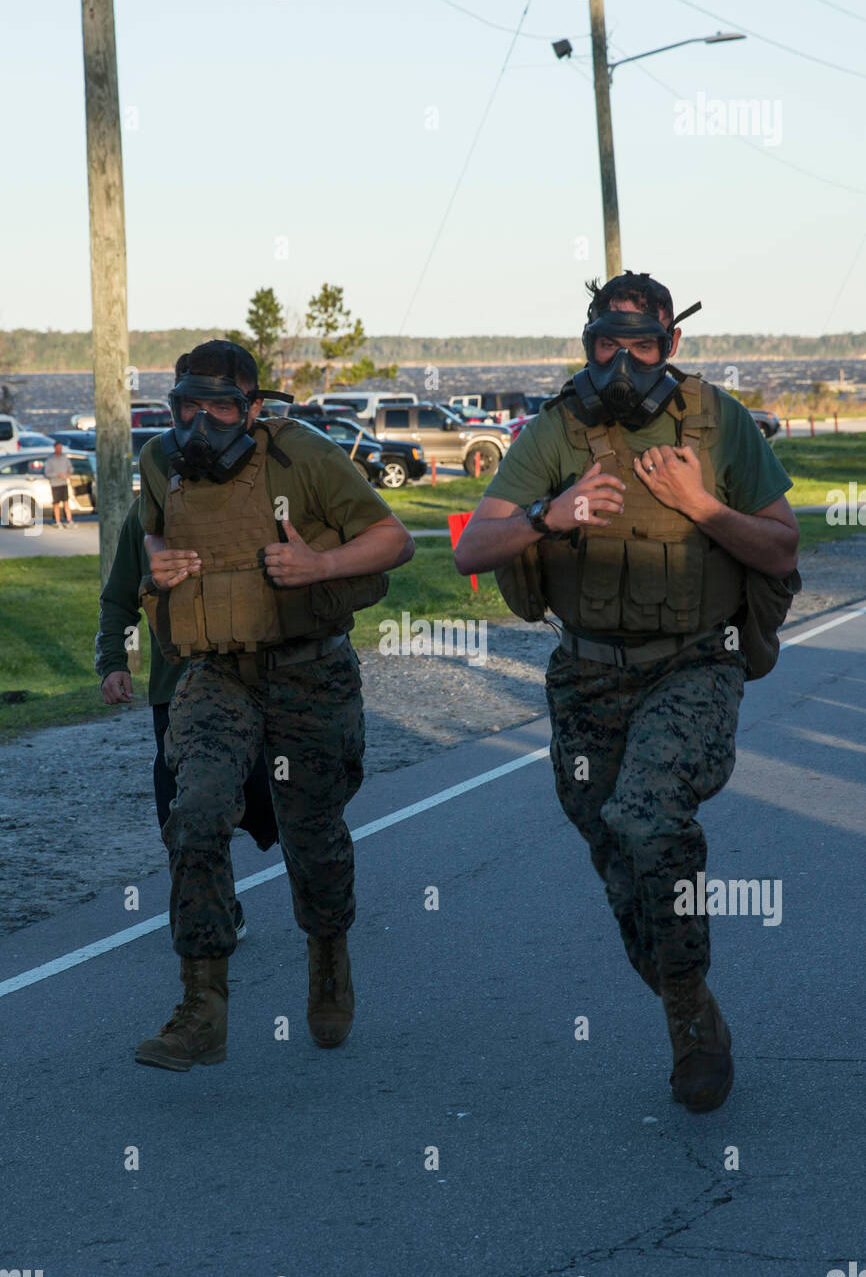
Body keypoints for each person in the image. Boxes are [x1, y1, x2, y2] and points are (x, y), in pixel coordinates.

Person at [453, 271, 800, 1113]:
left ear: (669, 344)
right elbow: (472, 551)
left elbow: (783, 548)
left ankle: (687, 1024)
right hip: (587, 676)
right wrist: (550, 514)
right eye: (603, 342)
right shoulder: (559, 426)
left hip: (693, 664)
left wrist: (701, 504)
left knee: (647, 817)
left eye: (637, 343)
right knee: (617, 862)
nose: (618, 360)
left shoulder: (718, 426)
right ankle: (693, 1005)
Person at [133, 340, 413, 1072]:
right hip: (216, 672)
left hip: (307, 671)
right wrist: (156, 567)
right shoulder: (160, 462)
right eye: (186, 404)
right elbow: (156, 534)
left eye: (219, 405)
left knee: (312, 838)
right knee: (194, 815)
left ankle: (327, 955)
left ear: (253, 407)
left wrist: (320, 565)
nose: (200, 421)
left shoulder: (304, 456)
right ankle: (203, 1009)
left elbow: (394, 541)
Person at [94, 497, 280, 940]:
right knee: (184, 810)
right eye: (185, 421)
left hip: (255, 684)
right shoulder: (148, 511)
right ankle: (212, 908)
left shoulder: (265, 495)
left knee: (266, 798)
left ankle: (299, 861)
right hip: (177, 691)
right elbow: (120, 597)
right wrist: (114, 660)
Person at [43, 441, 74, 527]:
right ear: (55, 448)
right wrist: (57, 475)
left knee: (66, 502)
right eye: (58, 448)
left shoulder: (64, 458)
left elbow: (71, 468)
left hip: (64, 483)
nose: (60, 450)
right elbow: (47, 473)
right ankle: (58, 521)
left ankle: (69, 520)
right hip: (55, 484)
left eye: (61, 448)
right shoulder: (50, 460)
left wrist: (68, 473)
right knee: (56, 503)